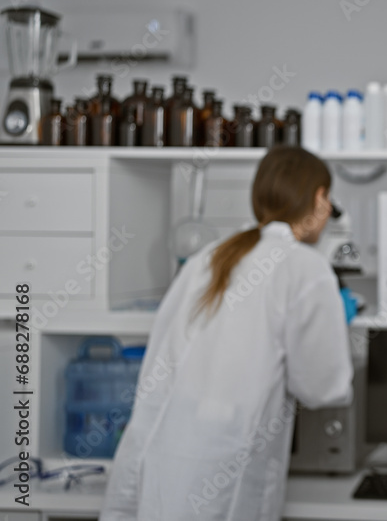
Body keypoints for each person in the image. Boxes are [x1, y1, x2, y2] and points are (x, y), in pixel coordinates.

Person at [101, 147, 354, 521]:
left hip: (160, 459)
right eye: (328, 198)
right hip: (224, 474)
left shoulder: (209, 257)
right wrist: (335, 322)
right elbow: (322, 387)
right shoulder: (306, 268)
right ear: (319, 198)